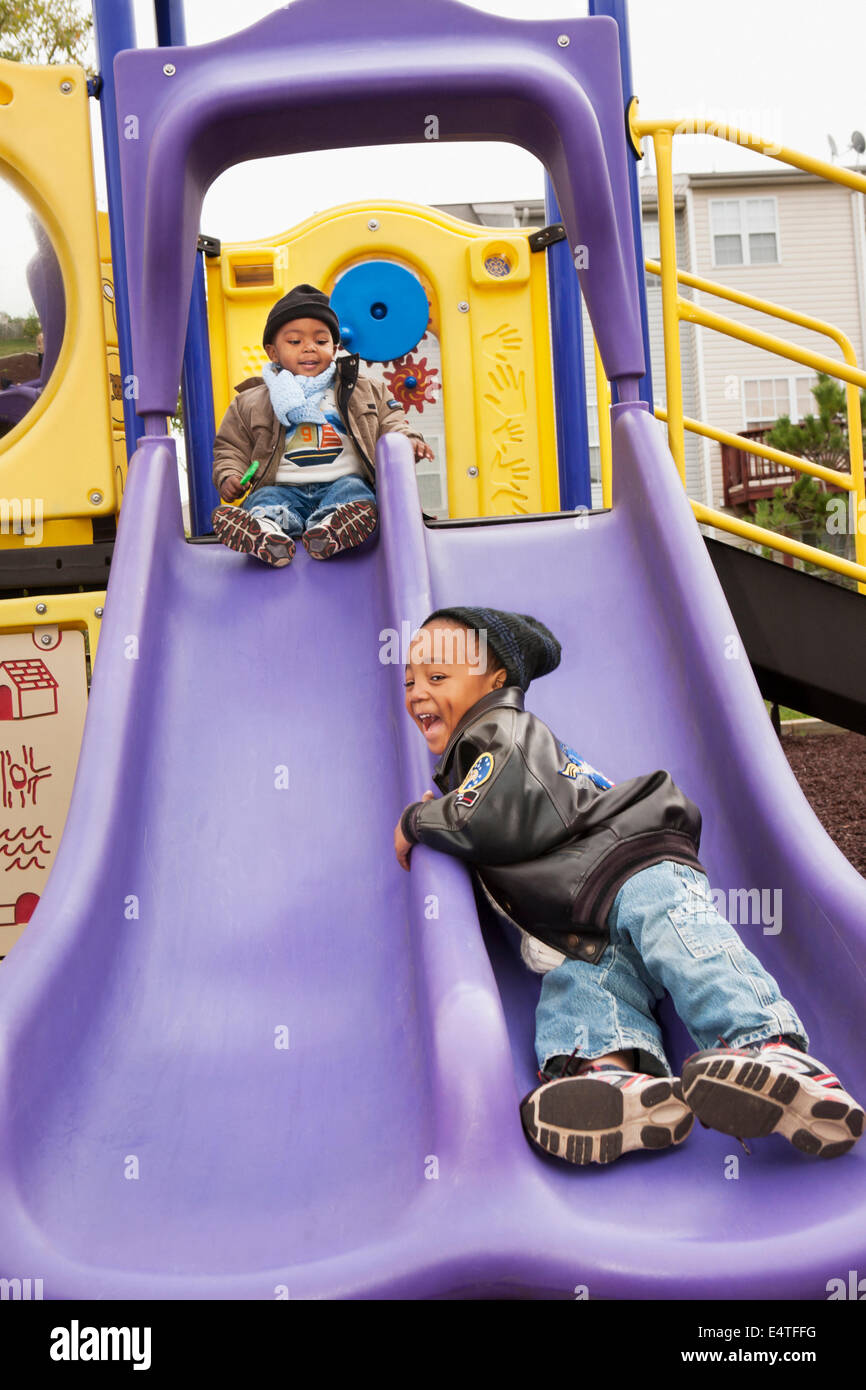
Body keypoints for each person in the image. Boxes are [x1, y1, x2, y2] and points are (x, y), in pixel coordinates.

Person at [395, 606, 865, 1166]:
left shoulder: (500, 731)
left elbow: (491, 815)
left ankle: (770, 1046)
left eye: (438, 677)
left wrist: (418, 823)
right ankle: (614, 1079)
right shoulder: (475, 756)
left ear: (497, 683)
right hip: (578, 916)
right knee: (583, 984)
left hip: (631, 860)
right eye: (409, 680)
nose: (418, 692)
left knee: (687, 943)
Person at [211, 283, 433, 566]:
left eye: (321, 341)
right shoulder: (252, 402)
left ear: (335, 347)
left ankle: (331, 529)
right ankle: (264, 533)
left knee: (357, 493)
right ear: (273, 352)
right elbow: (231, 447)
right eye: (294, 342)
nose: (309, 348)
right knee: (264, 500)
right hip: (283, 488)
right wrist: (230, 475)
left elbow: (391, 422)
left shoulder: (364, 389)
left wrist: (408, 440)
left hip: (342, 484)